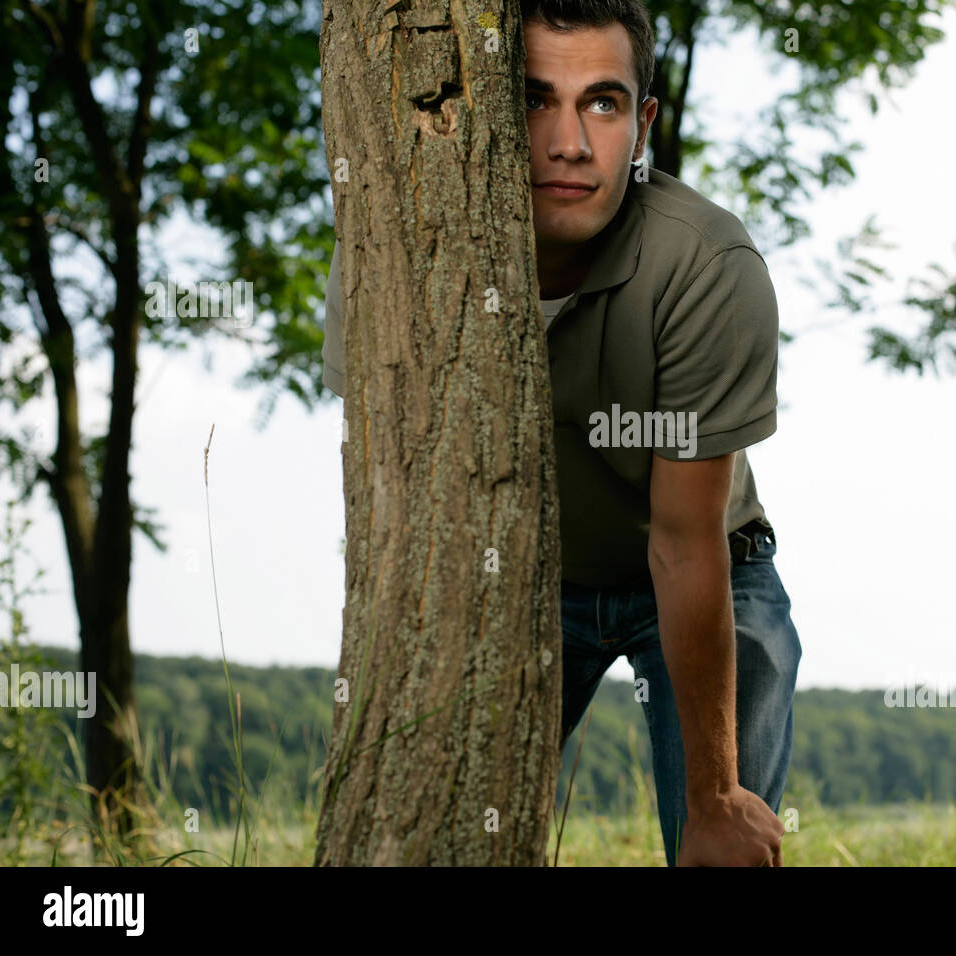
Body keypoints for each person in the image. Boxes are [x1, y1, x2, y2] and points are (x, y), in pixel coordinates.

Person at [321, 0, 801, 867]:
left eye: (603, 103)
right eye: (537, 100)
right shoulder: (395, 254)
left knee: (724, 840)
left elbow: (683, 541)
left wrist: (713, 796)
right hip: (525, 580)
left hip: (707, 569)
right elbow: (400, 502)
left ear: (644, 122)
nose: (569, 142)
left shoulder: (708, 265)